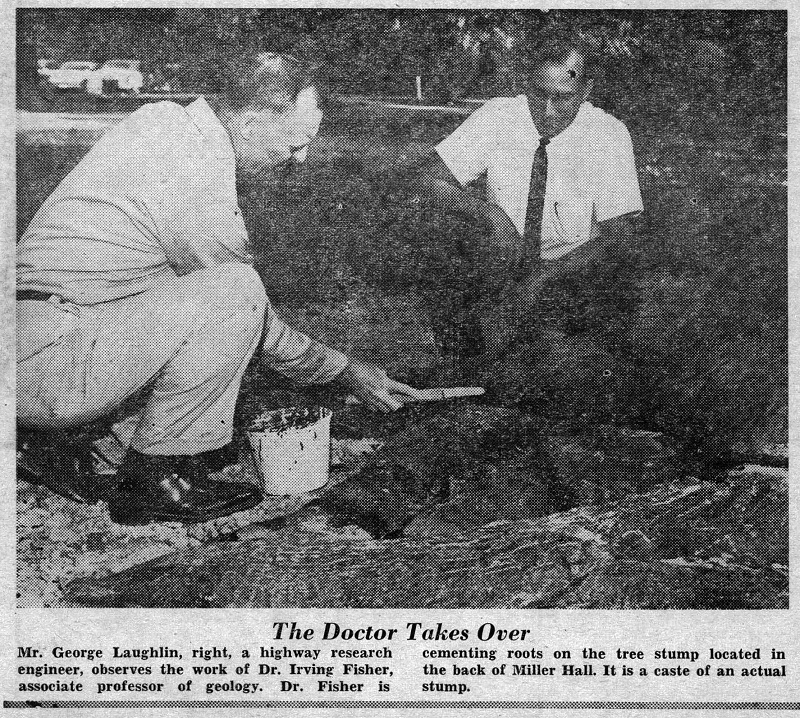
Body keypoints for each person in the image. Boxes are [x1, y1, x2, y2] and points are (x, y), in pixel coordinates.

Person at [17, 51, 421, 526]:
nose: (300, 159)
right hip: (47, 366)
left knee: (194, 292)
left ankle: (60, 444)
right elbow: (252, 316)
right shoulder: (196, 166)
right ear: (250, 124)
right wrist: (344, 370)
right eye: (295, 145)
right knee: (236, 290)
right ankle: (157, 478)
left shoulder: (168, 123)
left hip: (36, 341)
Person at [416, 30, 644, 353]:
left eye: (563, 97)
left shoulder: (607, 134)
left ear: (586, 90)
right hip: (505, 264)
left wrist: (546, 276)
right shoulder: (499, 116)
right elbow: (429, 178)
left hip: (571, 273)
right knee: (441, 231)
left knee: (560, 365)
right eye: (539, 94)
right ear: (527, 82)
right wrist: (489, 214)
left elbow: (620, 238)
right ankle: (466, 355)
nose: (548, 111)